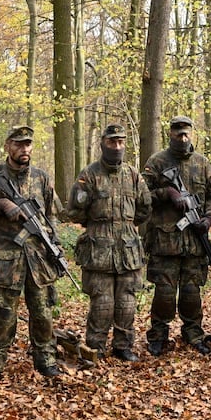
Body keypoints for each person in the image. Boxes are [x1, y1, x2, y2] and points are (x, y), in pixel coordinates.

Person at [0, 125, 64, 383]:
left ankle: (46, 359)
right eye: (18, 144)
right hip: (4, 259)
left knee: (43, 312)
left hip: (37, 259)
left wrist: (54, 242)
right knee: (3, 315)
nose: (24, 149)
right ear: (7, 146)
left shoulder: (41, 178)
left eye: (28, 144)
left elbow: (52, 214)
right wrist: (0, 205)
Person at [65, 124, 152, 361]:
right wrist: (97, 226)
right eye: (112, 142)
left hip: (128, 251)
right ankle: (96, 348)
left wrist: (125, 225)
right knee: (102, 304)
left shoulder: (133, 175)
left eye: (121, 142)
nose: (117, 147)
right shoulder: (89, 175)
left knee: (126, 303)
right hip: (98, 252)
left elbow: (145, 209)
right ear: (103, 143)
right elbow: (74, 211)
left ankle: (123, 347)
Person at [141, 116, 211, 356]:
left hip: (195, 243)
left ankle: (193, 334)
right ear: (170, 135)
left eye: (186, 134)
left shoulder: (202, 163)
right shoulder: (156, 162)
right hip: (165, 242)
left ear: (192, 135)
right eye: (178, 134)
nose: (182, 138)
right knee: (164, 295)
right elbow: (141, 195)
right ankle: (158, 336)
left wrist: (208, 219)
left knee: (191, 293)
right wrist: (166, 193)